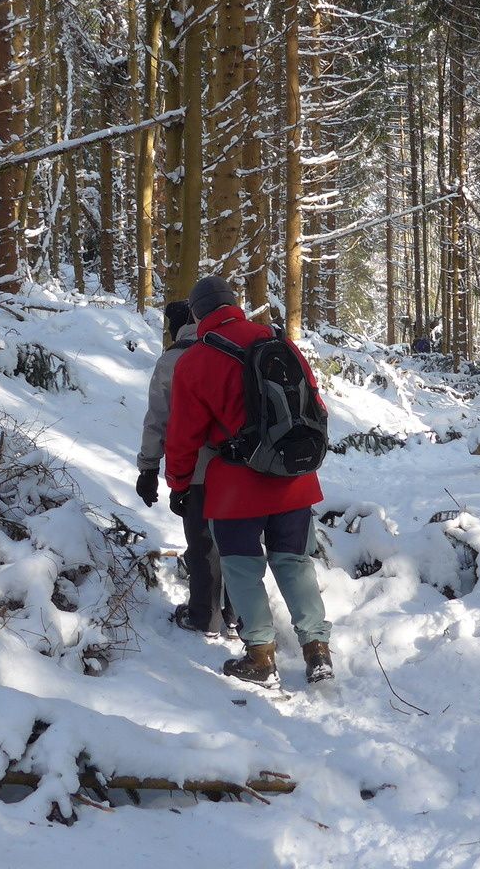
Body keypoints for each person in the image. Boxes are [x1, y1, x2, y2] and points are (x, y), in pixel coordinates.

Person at [165, 275, 334, 685]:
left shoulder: (195, 360)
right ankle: (317, 650)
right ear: (234, 304)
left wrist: (179, 483)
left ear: (198, 313)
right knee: (294, 563)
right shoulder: (278, 341)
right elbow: (315, 401)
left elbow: (183, 434)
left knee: (242, 568)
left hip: (237, 487)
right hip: (293, 477)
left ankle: (261, 656)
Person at [135, 299, 229, 635]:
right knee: (235, 540)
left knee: (202, 543)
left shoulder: (172, 359)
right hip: (239, 467)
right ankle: (236, 614)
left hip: (194, 468)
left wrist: (148, 468)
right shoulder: (227, 350)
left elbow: (157, 419)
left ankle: (204, 615)